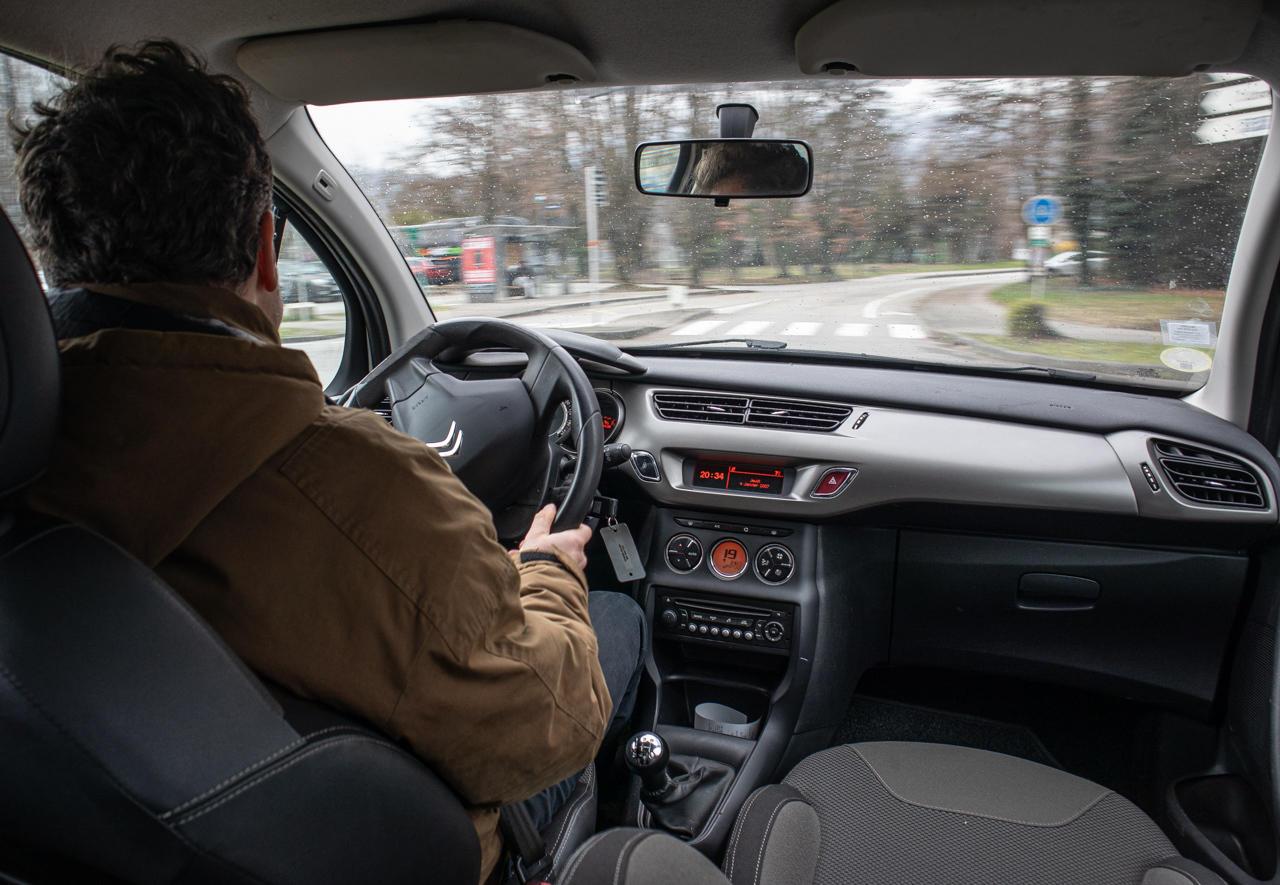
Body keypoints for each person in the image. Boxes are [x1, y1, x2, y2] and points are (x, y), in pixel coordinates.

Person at [12, 40, 645, 883]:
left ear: (51, 255)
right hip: (422, 850)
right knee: (614, 623)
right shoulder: (365, 490)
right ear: (264, 251)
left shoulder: (31, 459)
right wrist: (544, 569)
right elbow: (549, 724)